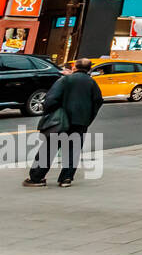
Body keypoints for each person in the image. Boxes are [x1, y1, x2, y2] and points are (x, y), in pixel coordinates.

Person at [24, 57, 103, 188]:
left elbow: (51, 99)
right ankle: (66, 178)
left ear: (74, 67)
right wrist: (88, 118)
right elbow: (98, 101)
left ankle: (37, 177)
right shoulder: (92, 83)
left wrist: (50, 112)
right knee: (73, 150)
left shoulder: (65, 80)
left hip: (60, 121)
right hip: (81, 122)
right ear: (89, 69)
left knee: (49, 149)